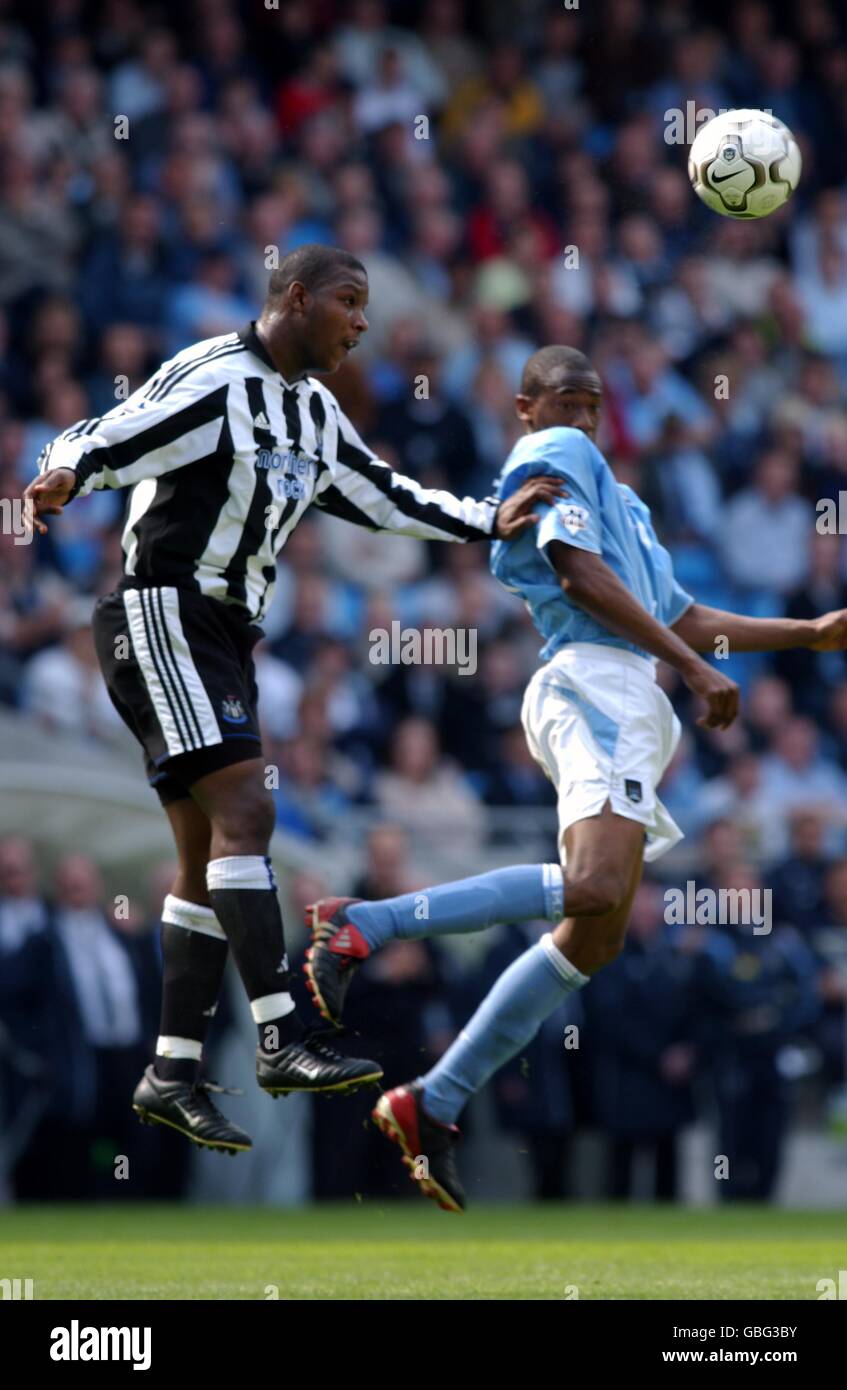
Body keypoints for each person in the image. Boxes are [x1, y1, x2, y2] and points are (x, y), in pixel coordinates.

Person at [21, 243, 557, 1157]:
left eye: (366, 307)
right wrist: (64, 468)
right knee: (248, 808)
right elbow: (115, 430)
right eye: (348, 302)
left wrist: (482, 518)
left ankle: (173, 1070)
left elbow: (383, 494)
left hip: (228, 638)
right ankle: (280, 1030)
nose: (360, 322)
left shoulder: (314, 413)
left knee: (203, 856)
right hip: (163, 610)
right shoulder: (214, 377)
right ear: (295, 297)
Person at [304, 343, 847, 1212]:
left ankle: (430, 1101)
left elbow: (684, 613)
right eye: (564, 400)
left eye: (593, 405)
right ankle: (364, 924)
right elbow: (576, 574)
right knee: (594, 890)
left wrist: (808, 631)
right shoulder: (557, 455)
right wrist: (693, 669)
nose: (583, 418)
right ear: (524, 407)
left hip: (625, 695)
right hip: (592, 681)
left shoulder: (620, 499)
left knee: (593, 937)